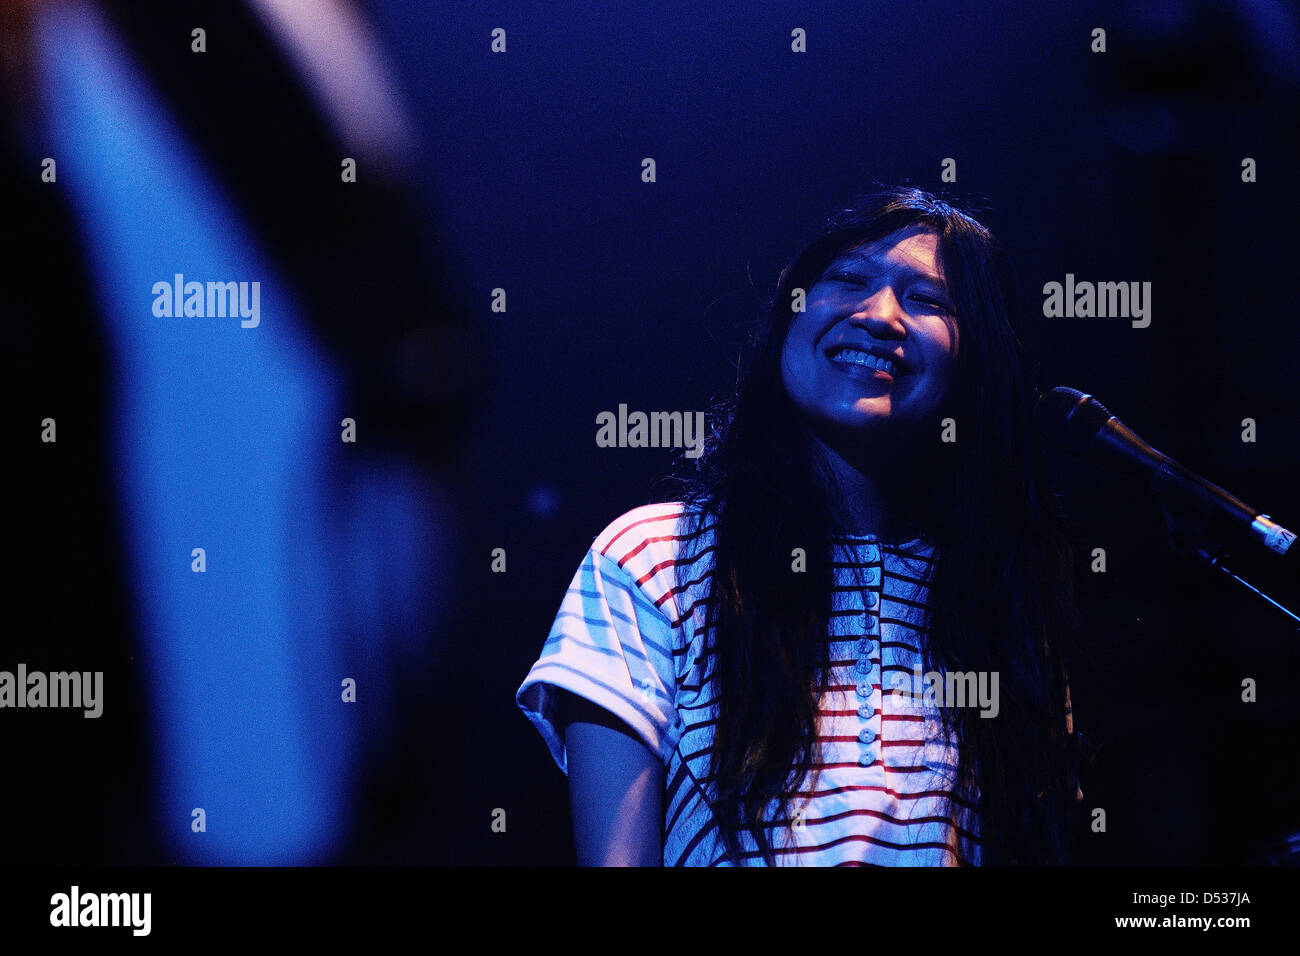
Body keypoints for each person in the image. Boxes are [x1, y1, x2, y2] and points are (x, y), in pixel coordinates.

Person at [516, 186, 1083, 866]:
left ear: (976, 359)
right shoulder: (655, 558)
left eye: (927, 300)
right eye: (848, 280)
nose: (879, 315)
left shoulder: (1004, 595)